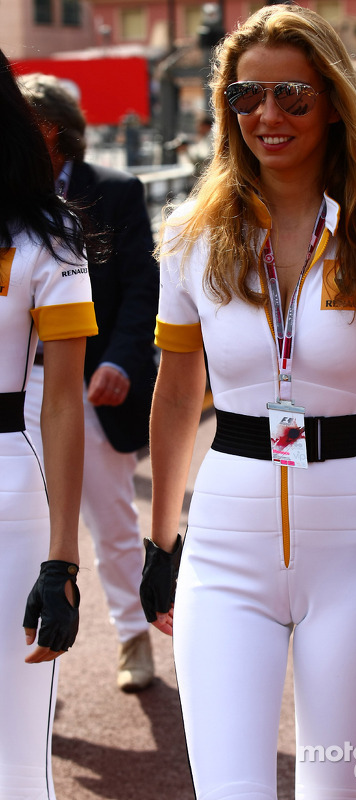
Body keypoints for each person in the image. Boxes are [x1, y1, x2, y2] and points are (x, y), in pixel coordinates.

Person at [141, 5, 356, 798]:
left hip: (355, 550)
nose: (267, 116)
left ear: (332, 101)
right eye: (245, 96)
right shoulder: (188, 232)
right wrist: (159, 544)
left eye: (290, 95)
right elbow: (177, 396)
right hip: (223, 548)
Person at [19, 73, 160, 692]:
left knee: (112, 523)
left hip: (93, 388)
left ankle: (133, 636)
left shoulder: (115, 191)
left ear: (54, 133)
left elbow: (141, 290)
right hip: (19, 392)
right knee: (20, 522)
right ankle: (25, 649)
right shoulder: (8, 198)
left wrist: (121, 362)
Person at [0, 50, 97, 798]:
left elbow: (63, 400)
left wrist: (62, 560)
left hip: (9, 494)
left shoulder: (49, 234)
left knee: (16, 754)